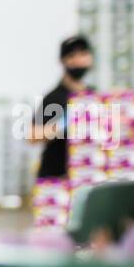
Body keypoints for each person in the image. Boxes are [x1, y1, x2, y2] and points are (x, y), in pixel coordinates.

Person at [30, 34, 94, 179]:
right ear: (63, 61)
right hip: (56, 178)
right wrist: (62, 125)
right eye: (72, 56)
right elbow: (32, 136)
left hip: (86, 176)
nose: (78, 61)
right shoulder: (53, 97)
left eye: (83, 54)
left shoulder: (93, 96)